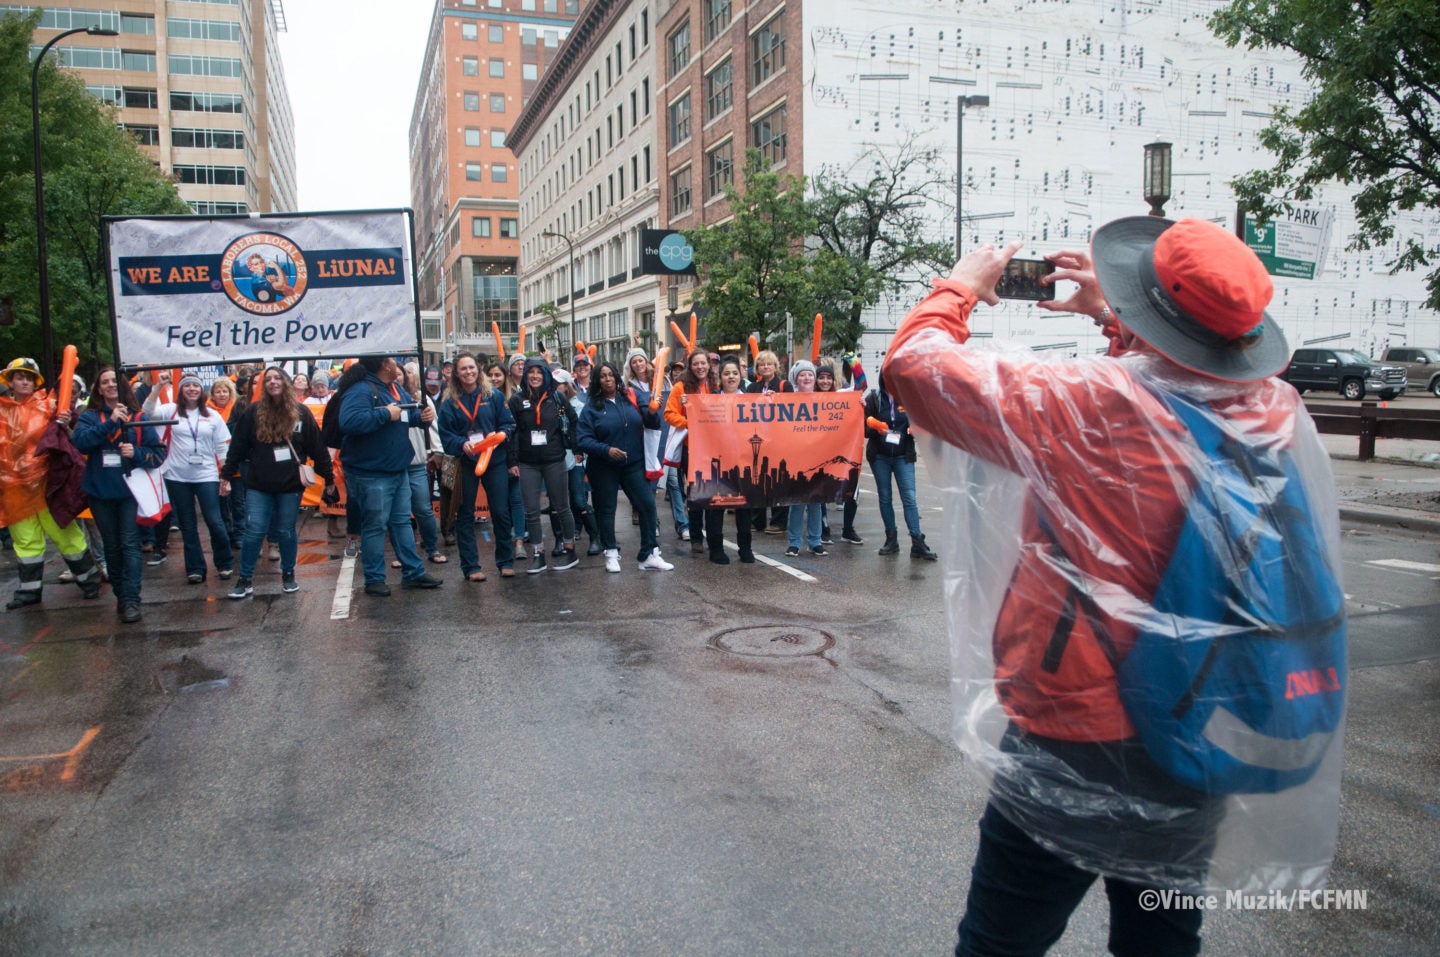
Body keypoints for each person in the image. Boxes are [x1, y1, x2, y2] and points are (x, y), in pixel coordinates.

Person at [883, 219, 1345, 956]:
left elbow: (915, 367)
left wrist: (962, 285)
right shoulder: (1277, 414)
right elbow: (1187, 387)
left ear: (1152, 313)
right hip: (1197, 725)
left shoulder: (1088, 407)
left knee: (1001, 939)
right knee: (1161, 935)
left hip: (1073, 734)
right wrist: (1121, 321)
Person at [221, 367, 335, 599]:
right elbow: (237, 447)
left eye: (277, 378)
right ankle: (245, 579)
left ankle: (289, 574)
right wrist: (226, 475)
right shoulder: (252, 412)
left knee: (286, 531)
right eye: (268, 380)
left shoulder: (301, 413)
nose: (272, 382)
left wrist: (329, 480)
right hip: (258, 484)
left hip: (290, 485)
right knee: (254, 532)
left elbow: (318, 448)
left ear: (286, 383)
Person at [336, 356, 444, 596]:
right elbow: (349, 421)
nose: (396, 364)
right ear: (385, 366)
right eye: (392, 361)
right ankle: (374, 578)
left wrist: (421, 418)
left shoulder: (394, 388)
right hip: (372, 472)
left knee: (402, 521)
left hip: (397, 468)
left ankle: (413, 572)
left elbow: (406, 416)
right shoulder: (362, 390)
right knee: (375, 525)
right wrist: (385, 414)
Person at [0, 358, 102, 608]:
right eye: (19, 377)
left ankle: (90, 581)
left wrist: (67, 420)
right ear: (10, 381)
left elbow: (70, 433)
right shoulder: (2, 410)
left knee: (66, 535)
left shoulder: (49, 406)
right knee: (26, 542)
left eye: (29, 377)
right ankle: (29, 592)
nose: (24, 381)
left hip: (47, 486)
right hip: (14, 491)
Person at [71, 367, 167, 623]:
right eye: (105, 382)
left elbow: (158, 454)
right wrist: (111, 423)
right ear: (99, 388)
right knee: (111, 547)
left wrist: (135, 453)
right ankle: (120, 594)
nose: (111, 385)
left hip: (129, 492)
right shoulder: (90, 417)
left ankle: (132, 599)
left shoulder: (138, 416)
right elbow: (80, 443)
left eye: (114, 381)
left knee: (129, 544)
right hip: (100, 491)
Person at [576, 362, 673, 573]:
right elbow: (582, 439)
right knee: (606, 510)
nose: (608, 379)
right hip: (604, 466)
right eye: (603, 376)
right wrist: (606, 450)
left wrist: (652, 411)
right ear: (597, 381)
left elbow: (653, 422)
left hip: (633, 464)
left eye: (611, 374)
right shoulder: (592, 406)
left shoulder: (631, 396)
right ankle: (611, 553)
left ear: (617, 377)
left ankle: (649, 554)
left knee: (647, 505)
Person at [143, 373, 235, 583]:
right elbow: (147, 413)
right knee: (188, 524)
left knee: (214, 520)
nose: (192, 389)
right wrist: (158, 387)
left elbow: (222, 446)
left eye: (196, 385)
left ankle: (224, 563)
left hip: (207, 475)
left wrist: (226, 476)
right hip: (177, 476)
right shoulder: (170, 410)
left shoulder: (212, 415)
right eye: (187, 386)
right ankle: (195, 568)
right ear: (181, 390)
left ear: (201, 391)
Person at [438, 352, 516, 581]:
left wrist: (502, 434)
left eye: (472, 367)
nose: (469, 372)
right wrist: (461, 444)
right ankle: (471, 567)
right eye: (463, 369)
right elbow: (446, 435)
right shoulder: (449, 402)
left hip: (494, 461)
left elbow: (509, 423)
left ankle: (505, 562)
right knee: (465, 514)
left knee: (501, 512)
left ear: (478, 370)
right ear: (456, 373)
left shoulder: (492, 395)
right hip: (466, 463)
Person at [507, 357, 579, 573]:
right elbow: (511, 432)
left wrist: (575, 449)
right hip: (527, 462)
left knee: (562, 506)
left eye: (539, 372)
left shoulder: (557, 398)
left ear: (546, 375)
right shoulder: (517, 401)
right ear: (525, 375)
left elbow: (573, 421)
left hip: (554, 459)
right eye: (531, 372)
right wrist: (512, 461)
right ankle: (538, 554)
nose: (535, 376)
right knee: (531, 511)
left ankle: (569, 549)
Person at [864, 373, 935, 560]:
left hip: (904, 455)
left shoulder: (911, 399)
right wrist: (878, 429)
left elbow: (923, 423)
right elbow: (865, 429)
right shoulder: (874, 399)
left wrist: (915, 430)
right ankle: (891, 540)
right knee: (885, 497)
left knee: (909, 498)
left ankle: (917, 542)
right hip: (880, 456)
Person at [664, 349, 726, 562]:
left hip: (716, 448)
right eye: (696, 364)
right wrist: (690, 423)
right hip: (692, 450)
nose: (700, 367)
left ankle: (713, 538)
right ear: (690, 366)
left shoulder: (716, 387)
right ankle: (696, 538)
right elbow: (669, 414)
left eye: (703, 363)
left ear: (709, 365)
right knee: (695, 494)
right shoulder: (681, 387)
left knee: (714, 494)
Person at [397, 361, 446, 567]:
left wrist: (436, 451)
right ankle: (403, 554)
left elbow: (432, 426)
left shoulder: (420, 397)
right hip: (395, 463)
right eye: (400, 372)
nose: (400, 376)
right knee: (399, 513)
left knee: (423, 509)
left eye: (404, 374)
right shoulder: (386, 398)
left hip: (417, 461)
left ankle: (432, 547)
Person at [553, 369, 602, 555]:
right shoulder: (548, 403)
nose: (554, 386)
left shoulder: (578, 406)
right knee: (557, 503)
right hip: (554, 460)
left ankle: (595, 537)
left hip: (575, 460)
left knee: (579, 501)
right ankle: (560, 541)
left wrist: (579, 452)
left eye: (558, 382)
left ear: (567, 385)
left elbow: (582, 434)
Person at [746, 349, 791, 535]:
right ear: (757, 368)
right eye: (762, 364)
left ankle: (779, 521)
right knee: (757, 477)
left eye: (769, 364)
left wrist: (776, 400)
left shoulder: (784, 385)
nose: (765, 367)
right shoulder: (752, 388)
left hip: (779, 438)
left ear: (775, 367)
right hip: (757, 437)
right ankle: (758, 520)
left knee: (778, 479)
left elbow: (792, 409)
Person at [716, 356, 755, 562]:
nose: (731, 377)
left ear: (740, 376)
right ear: (720, 377)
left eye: (734, 373)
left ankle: (745, 549)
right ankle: (716, 549)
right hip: (717, 459)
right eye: (726, 373)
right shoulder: (709, 399)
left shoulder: (751, 399)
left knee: (744, 506)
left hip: (743, 459)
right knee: (716, 505)